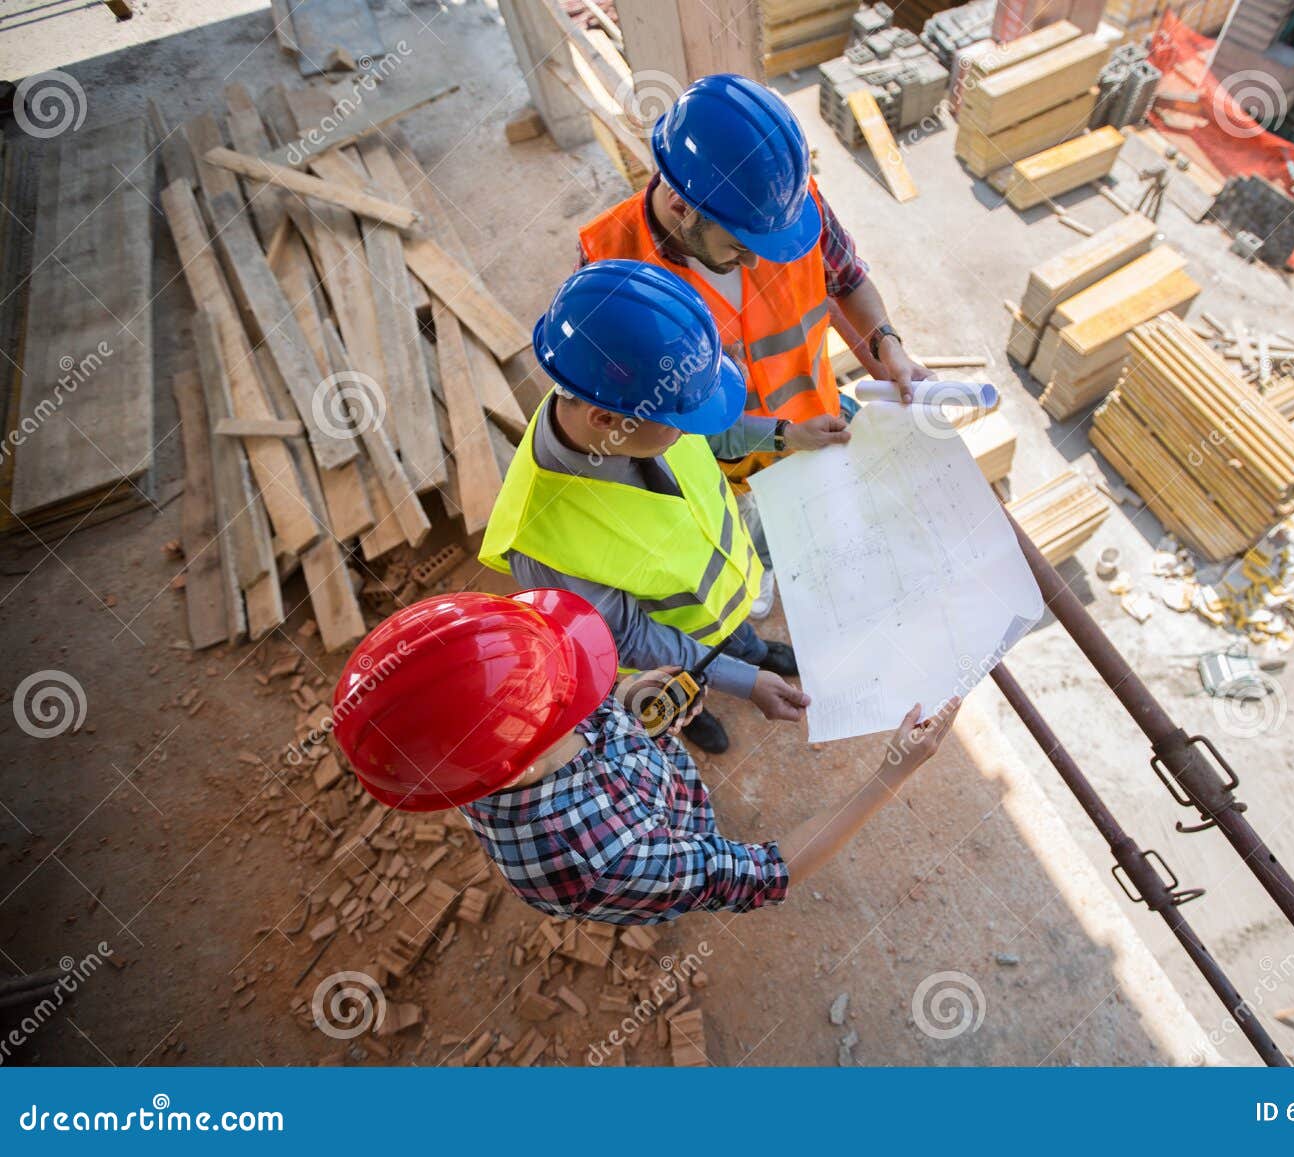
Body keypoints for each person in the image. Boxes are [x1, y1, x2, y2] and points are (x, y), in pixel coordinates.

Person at [331, 589, 959, 925]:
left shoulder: (474, 754)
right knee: (693, 875)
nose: (587, 690)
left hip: (645, 803)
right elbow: (771, 873)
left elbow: (576, 715)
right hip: (651, 855)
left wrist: (625, 697)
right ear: (517, 762)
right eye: (571, 696)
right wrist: (892, 771)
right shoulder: (611, 862)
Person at [577, 74, 931, 608]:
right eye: (739, 247)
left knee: (816, 525)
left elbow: (849, 279)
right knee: (748, 543)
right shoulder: (610, 270)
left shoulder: (786, 209)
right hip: (724, 470)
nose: (756, 261)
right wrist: (782, 435)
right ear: (680, 205)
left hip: (815, 425)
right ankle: (757, 572)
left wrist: (887, 345)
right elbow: (654, 420)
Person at [478, 259, 844, 754]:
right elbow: (631, 637)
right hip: (669, 656)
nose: (689, 431)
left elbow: (712, 431)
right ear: (606, 419)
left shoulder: (639, 409)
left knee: (742, 641)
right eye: (680, 421)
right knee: (681, 690)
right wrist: (742, 682)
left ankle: (753, 650)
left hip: (725, 599)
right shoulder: (540, 539)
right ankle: (699, 710)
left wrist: (784, 434)